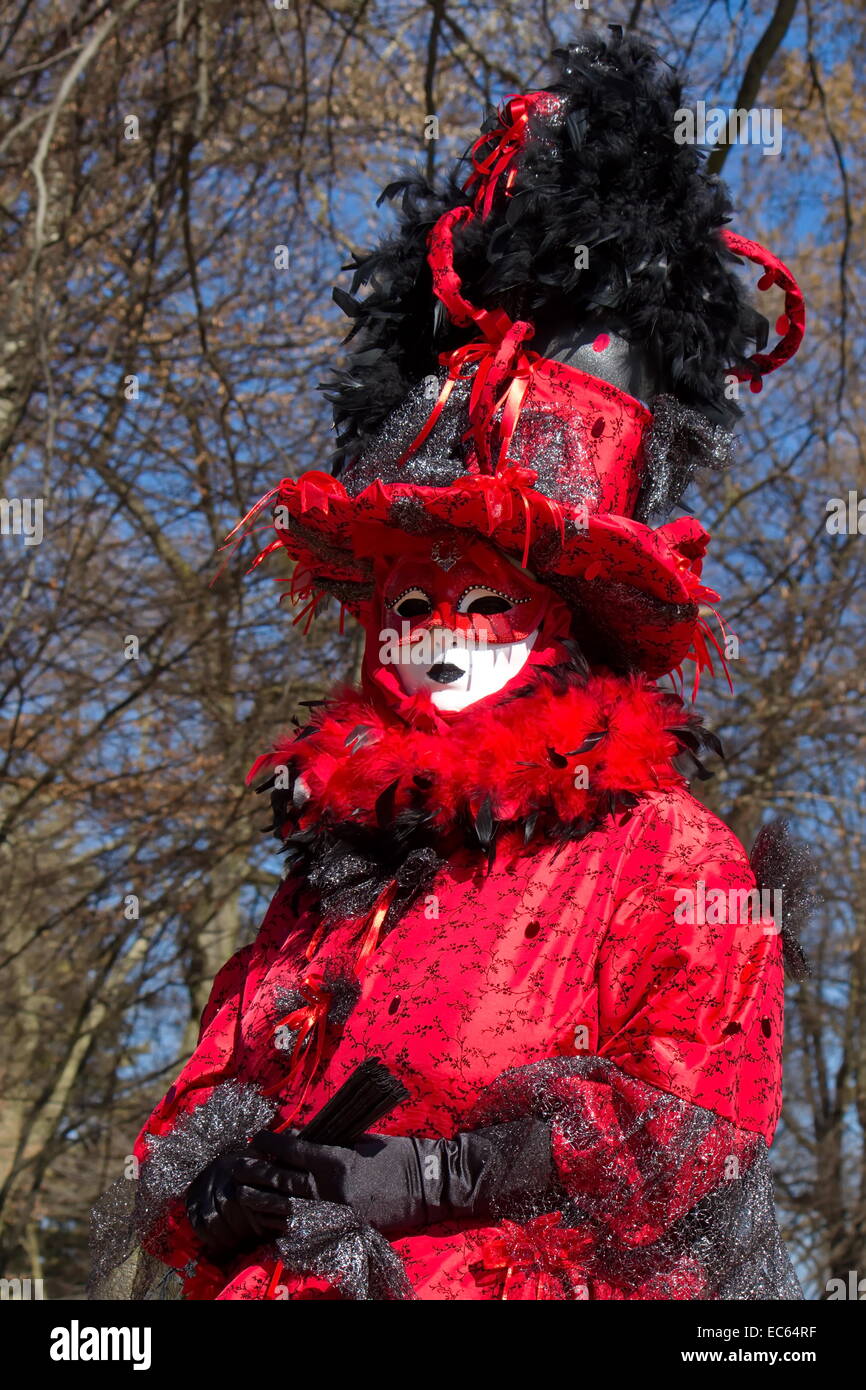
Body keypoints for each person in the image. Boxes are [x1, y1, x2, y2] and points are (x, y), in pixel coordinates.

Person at [93, 27, 809, 1301]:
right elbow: (208, 1094)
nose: (437, 633)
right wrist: (217, 1187)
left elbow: (690, 1132)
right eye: (410, 603)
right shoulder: (330, 880)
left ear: (566, 622)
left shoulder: (669, 859)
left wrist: (431, 1176)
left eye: (483, 601)